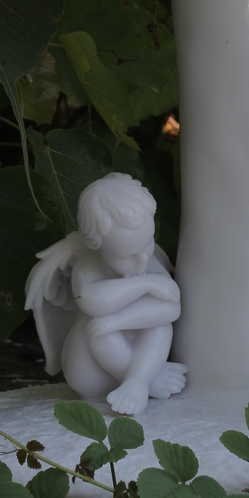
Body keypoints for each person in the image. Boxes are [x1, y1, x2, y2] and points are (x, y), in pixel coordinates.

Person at [26, 174, 186, 417]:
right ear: (96, 246)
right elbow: (92, 302)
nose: (142, 259)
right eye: (127, 255)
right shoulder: (89, 265)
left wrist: (119, 320)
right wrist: (146, 284)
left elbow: (172, 309)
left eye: (148, 243)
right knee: (99, 327)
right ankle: (146, 379)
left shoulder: (145, 259)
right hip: (90, 372)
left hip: (133, 359)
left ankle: (137, 382)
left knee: (159, 325)